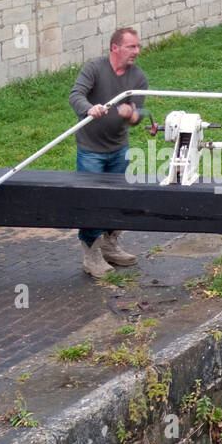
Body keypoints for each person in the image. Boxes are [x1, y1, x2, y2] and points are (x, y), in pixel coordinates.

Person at [69, 27, 148, 278]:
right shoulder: (95, 68)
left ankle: (111, 245)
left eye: (138, 46)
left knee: (118, 198)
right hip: (91, 150)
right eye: (131, 46)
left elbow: (136, 116)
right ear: (115, 47)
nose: (137, 51)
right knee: (91, 200)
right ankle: (91, 254)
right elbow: (75, 95)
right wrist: (89, 108)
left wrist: (132, 116)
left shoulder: (138, 78)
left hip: (119, 148)